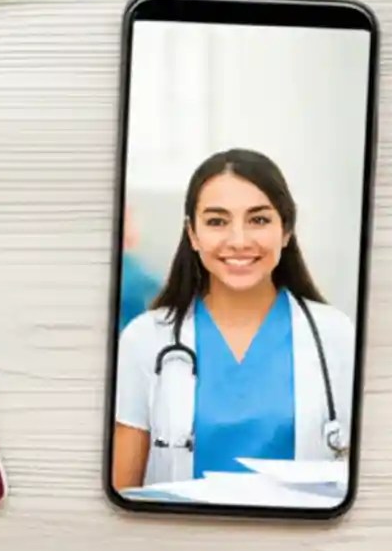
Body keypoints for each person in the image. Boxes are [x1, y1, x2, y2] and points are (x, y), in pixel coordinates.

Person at [112, 148, 356, 492]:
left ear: (286, 230)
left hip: (300, 544)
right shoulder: (145, 339)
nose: (238, 241)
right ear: (193, 234)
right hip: (176, 543)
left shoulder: (336, 336)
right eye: (216, 221)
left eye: (258, 220)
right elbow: (121, 497)